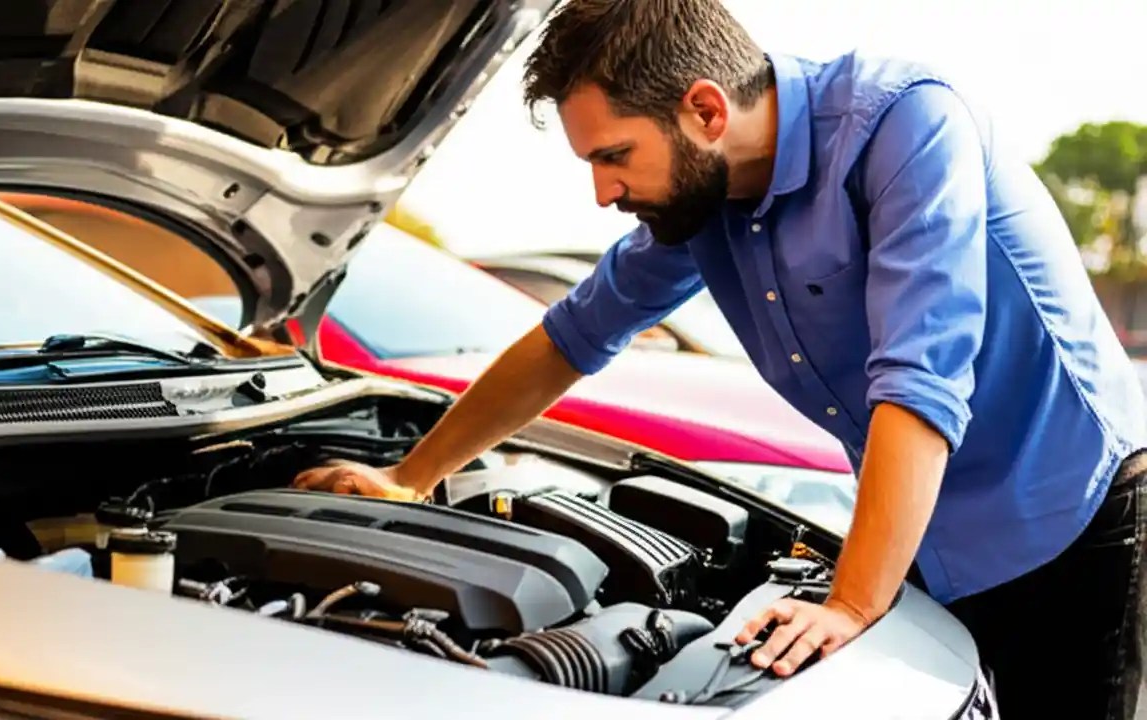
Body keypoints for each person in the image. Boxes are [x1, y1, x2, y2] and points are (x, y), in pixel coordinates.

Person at [294, 1, 1146, 716]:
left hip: (1071, 520)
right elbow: (570, 338)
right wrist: (411, 476)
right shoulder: (701, 201)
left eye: (613, 155)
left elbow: (921, 380)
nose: (602, 192)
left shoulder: (905, 125)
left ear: (705, 110)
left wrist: (853, 602)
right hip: (924, 531)